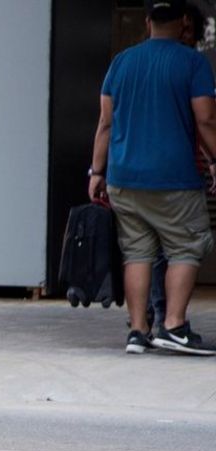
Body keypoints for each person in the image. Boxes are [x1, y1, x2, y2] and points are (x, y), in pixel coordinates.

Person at [90, 0, 216, 356]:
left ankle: (137, 331)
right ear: (181, 24)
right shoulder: (193, 62)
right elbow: (205, 119)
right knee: (185, 248)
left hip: (124, 177)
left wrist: (96, 171)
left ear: (147, 23)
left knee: (137, 253)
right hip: (173, 178)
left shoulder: (122, 62)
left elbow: (105, 122)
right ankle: (174, 326)